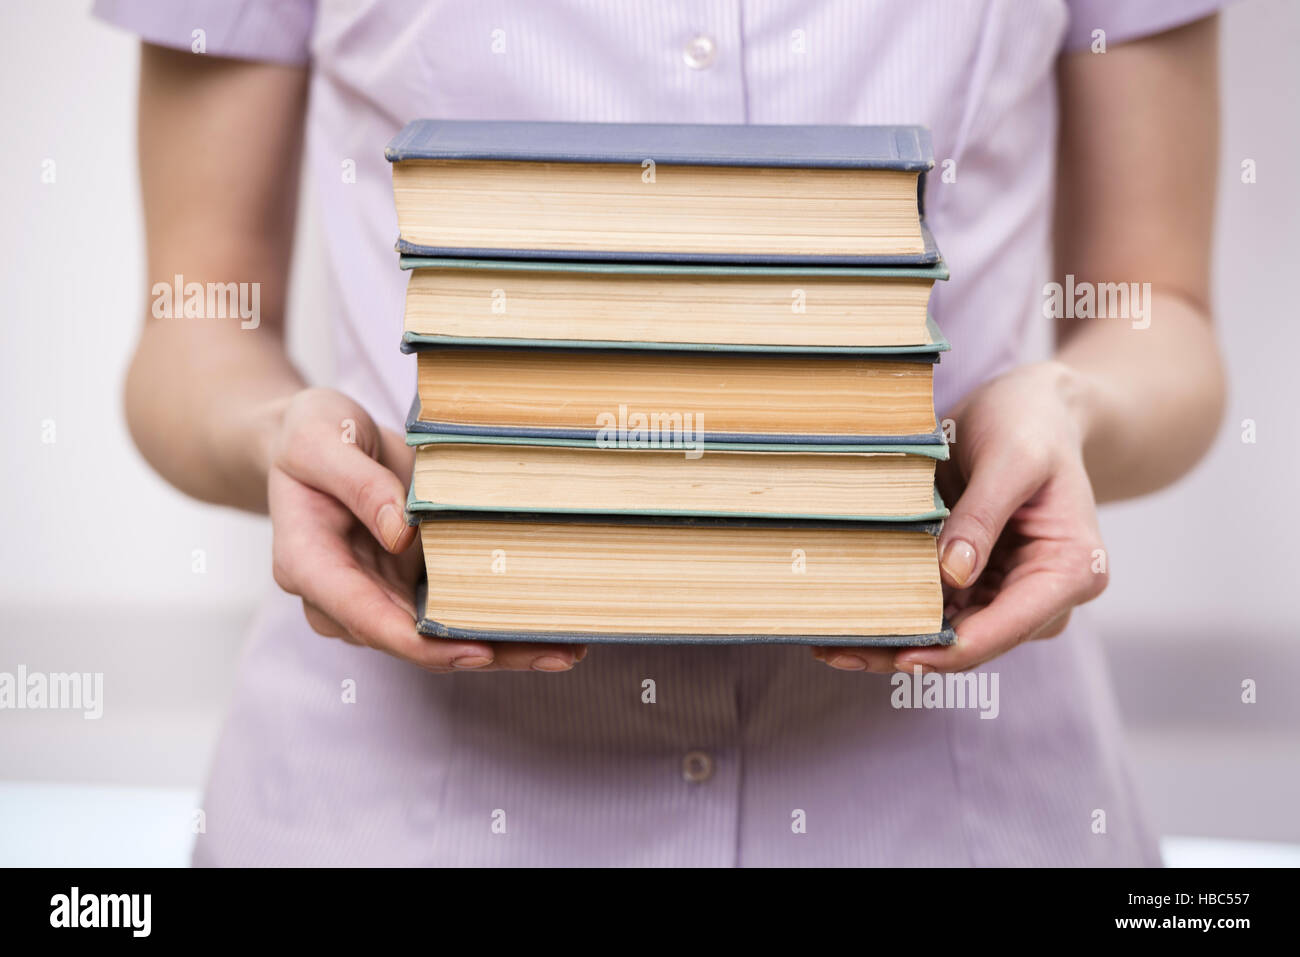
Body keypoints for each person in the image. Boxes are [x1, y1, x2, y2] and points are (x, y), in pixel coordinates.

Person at [95, 0, 1227, 865]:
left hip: (956, 798)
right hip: (401, 806)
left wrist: (1068, 413)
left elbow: (1158, 314)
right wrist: (274, 437)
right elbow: (192, 330)